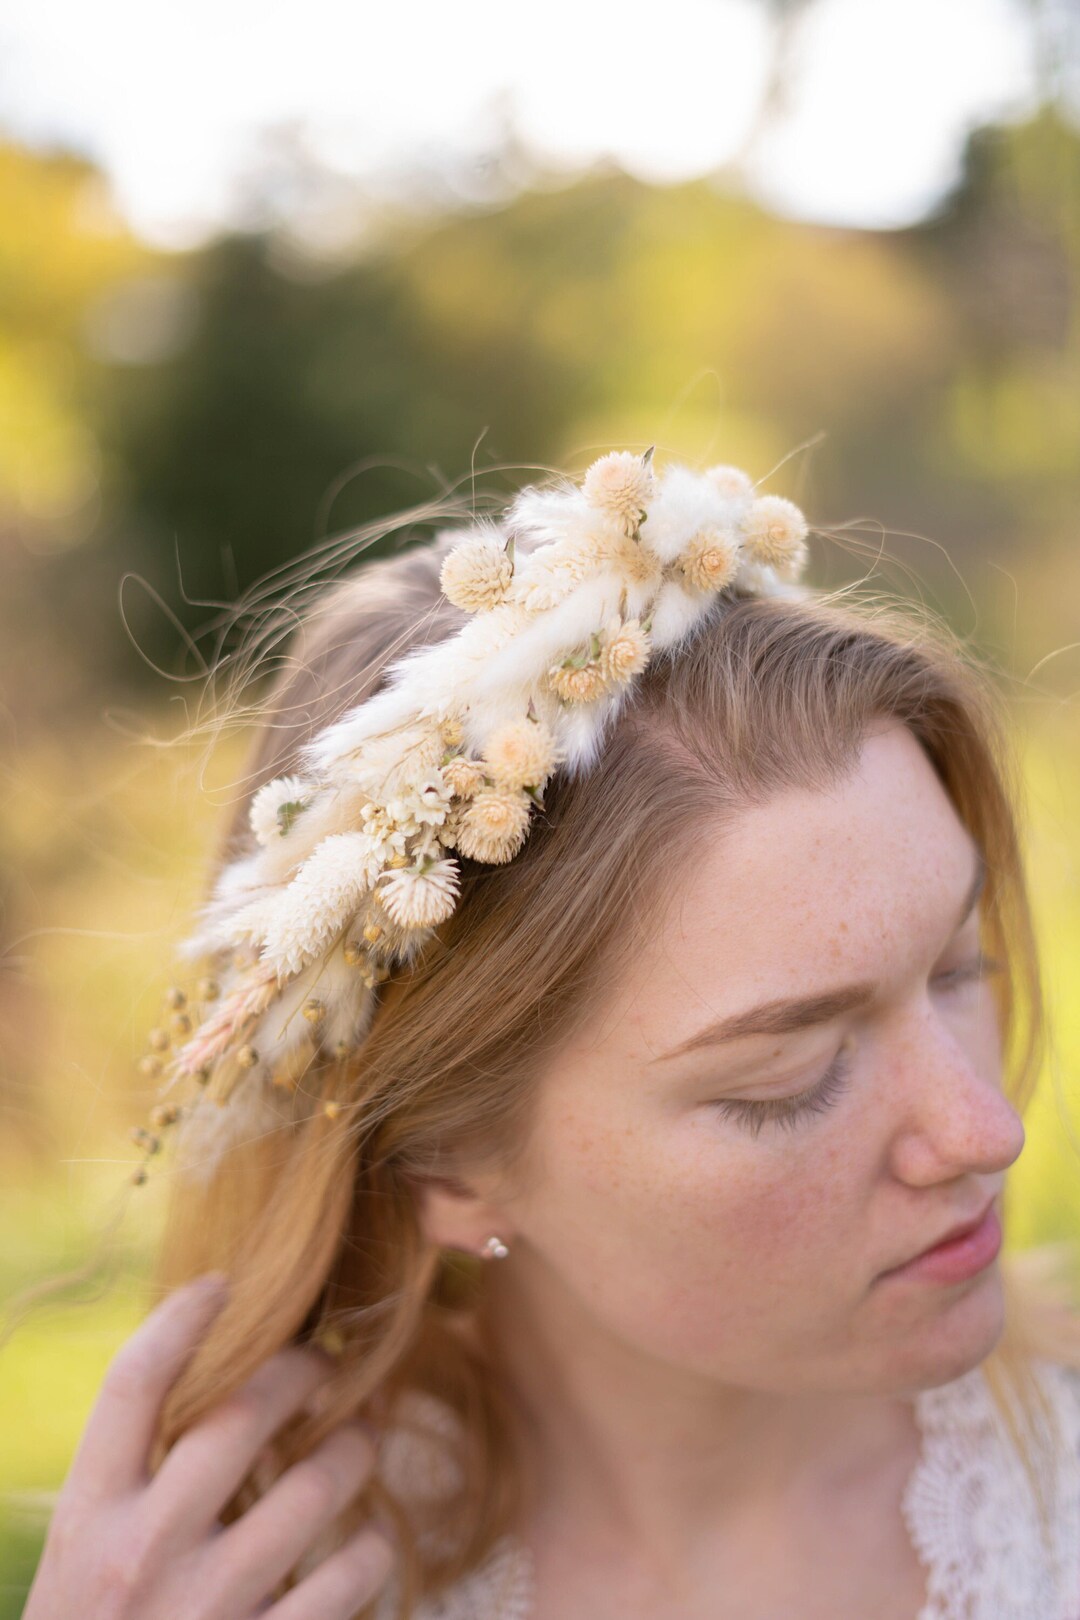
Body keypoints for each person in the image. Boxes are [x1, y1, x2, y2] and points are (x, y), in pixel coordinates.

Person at [20, 449, 1080, 1619]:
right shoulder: (268, 1594)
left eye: (956, 967)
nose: (988, 1131)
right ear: (449, 1166)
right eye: (792, 1078)